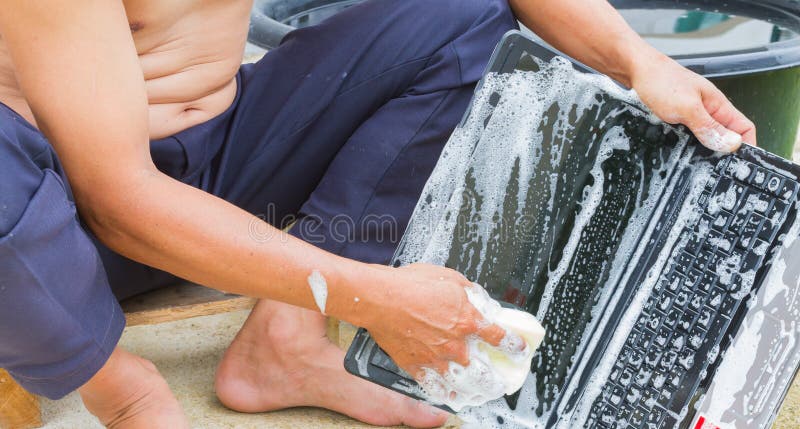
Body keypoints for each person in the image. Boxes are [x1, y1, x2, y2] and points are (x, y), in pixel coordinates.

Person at [0, 0, 756, 427]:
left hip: (226, 159)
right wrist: (372, 300)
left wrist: (640, 60)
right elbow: (118, 202)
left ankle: (282, 341)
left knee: (462, 14)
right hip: (60, 218)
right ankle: (123, 389)